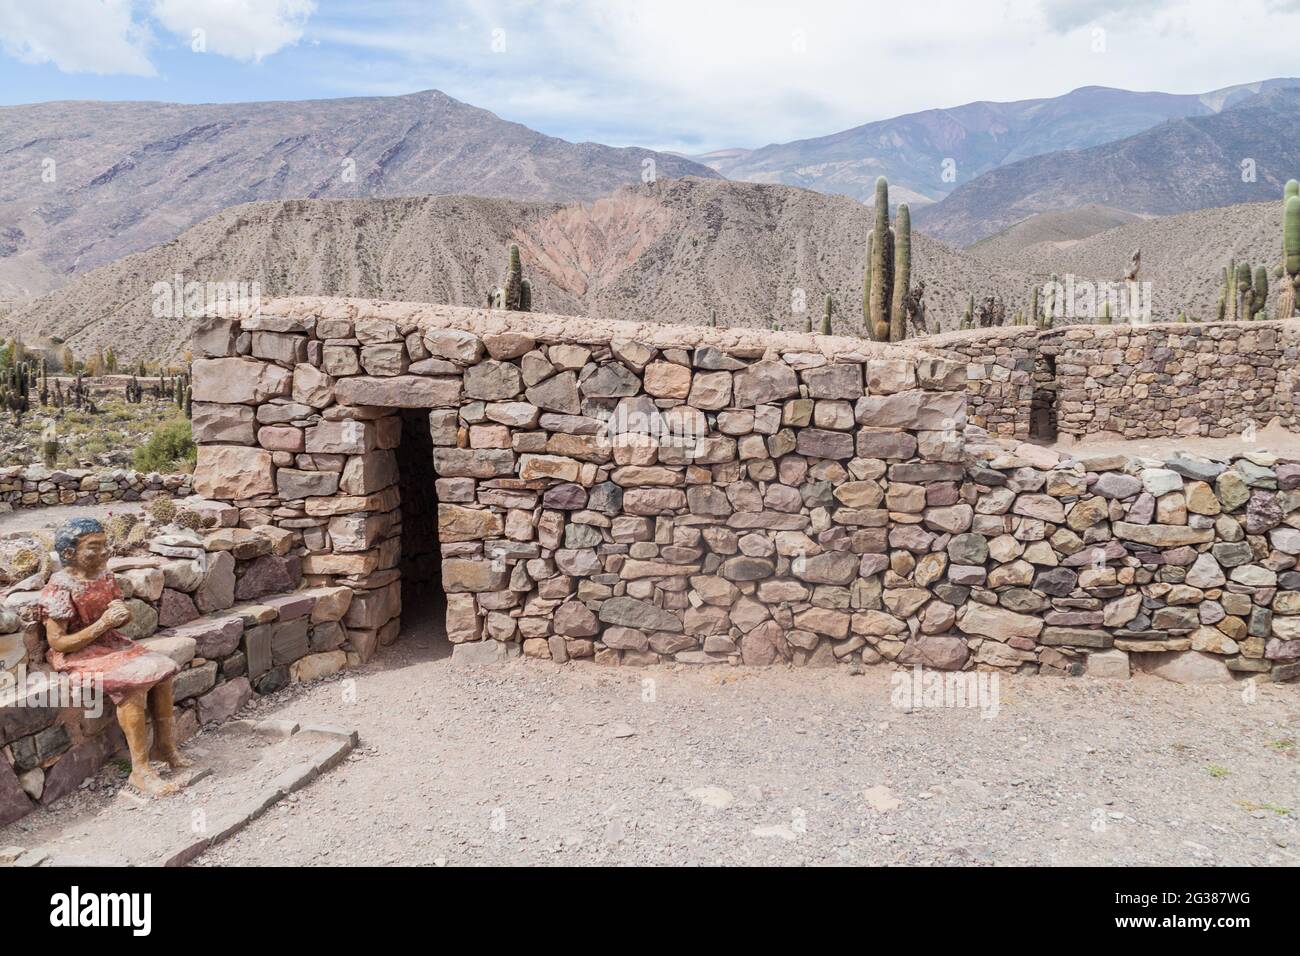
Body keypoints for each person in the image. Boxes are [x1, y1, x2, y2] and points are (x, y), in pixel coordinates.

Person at [38, 517, 191, 796]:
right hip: (80, 654)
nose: (105, 552)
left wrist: (121, 616)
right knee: (132, 686)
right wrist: (104, 623)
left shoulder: (105, 576)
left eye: (105, 545)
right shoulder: (61, 586)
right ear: (70, 553)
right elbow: (58, 642)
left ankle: (164, 746)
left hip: (112, 645)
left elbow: (115, 615)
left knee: (164, 671)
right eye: (94, 547)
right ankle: (140, 769)